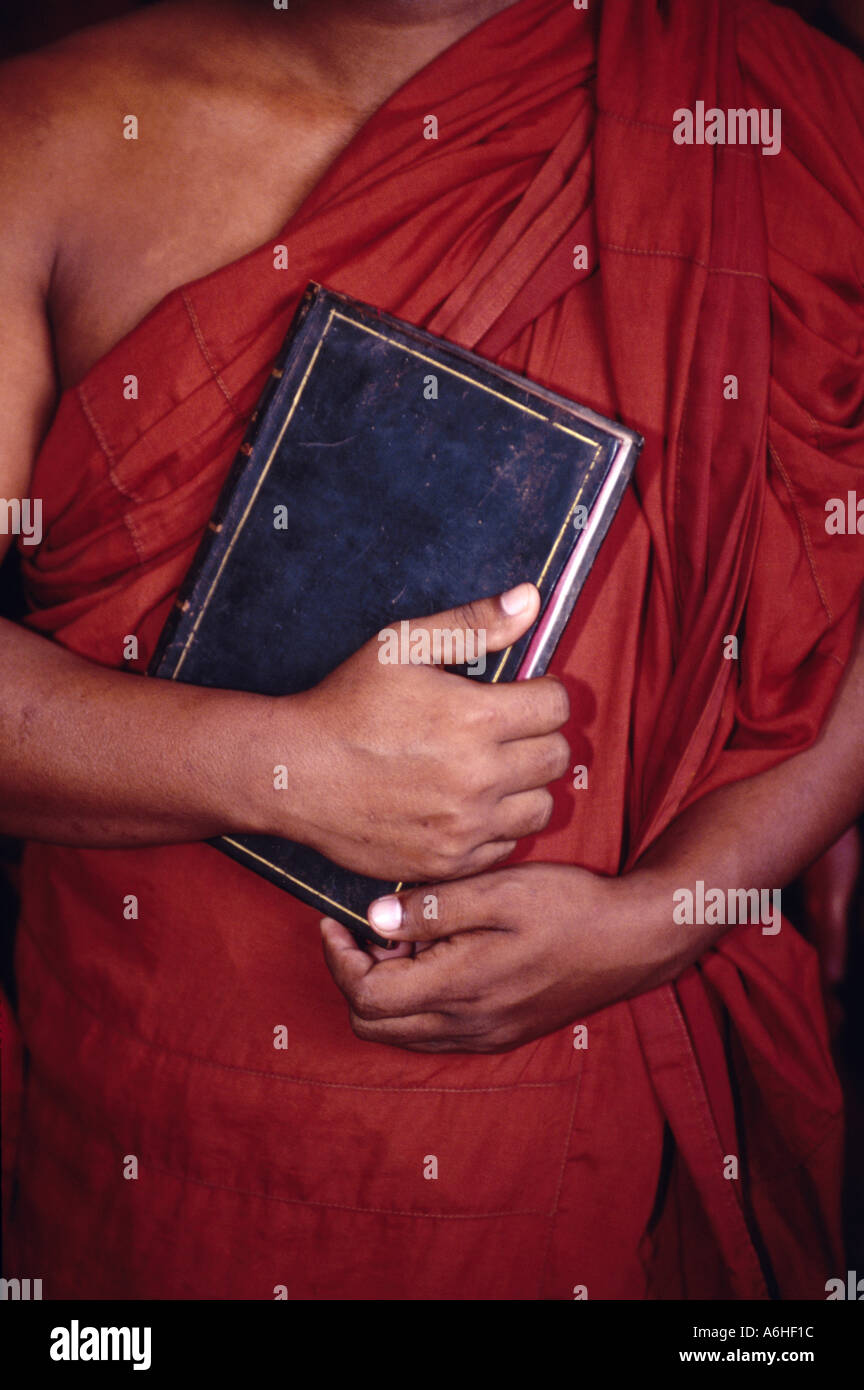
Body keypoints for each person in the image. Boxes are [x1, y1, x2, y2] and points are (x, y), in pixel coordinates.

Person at [1, 0, 862, 1299]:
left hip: (570, 1132)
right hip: (158, 1125)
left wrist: (663, 917)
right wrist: (277, 763)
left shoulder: (772, 118)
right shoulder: (54, 137)